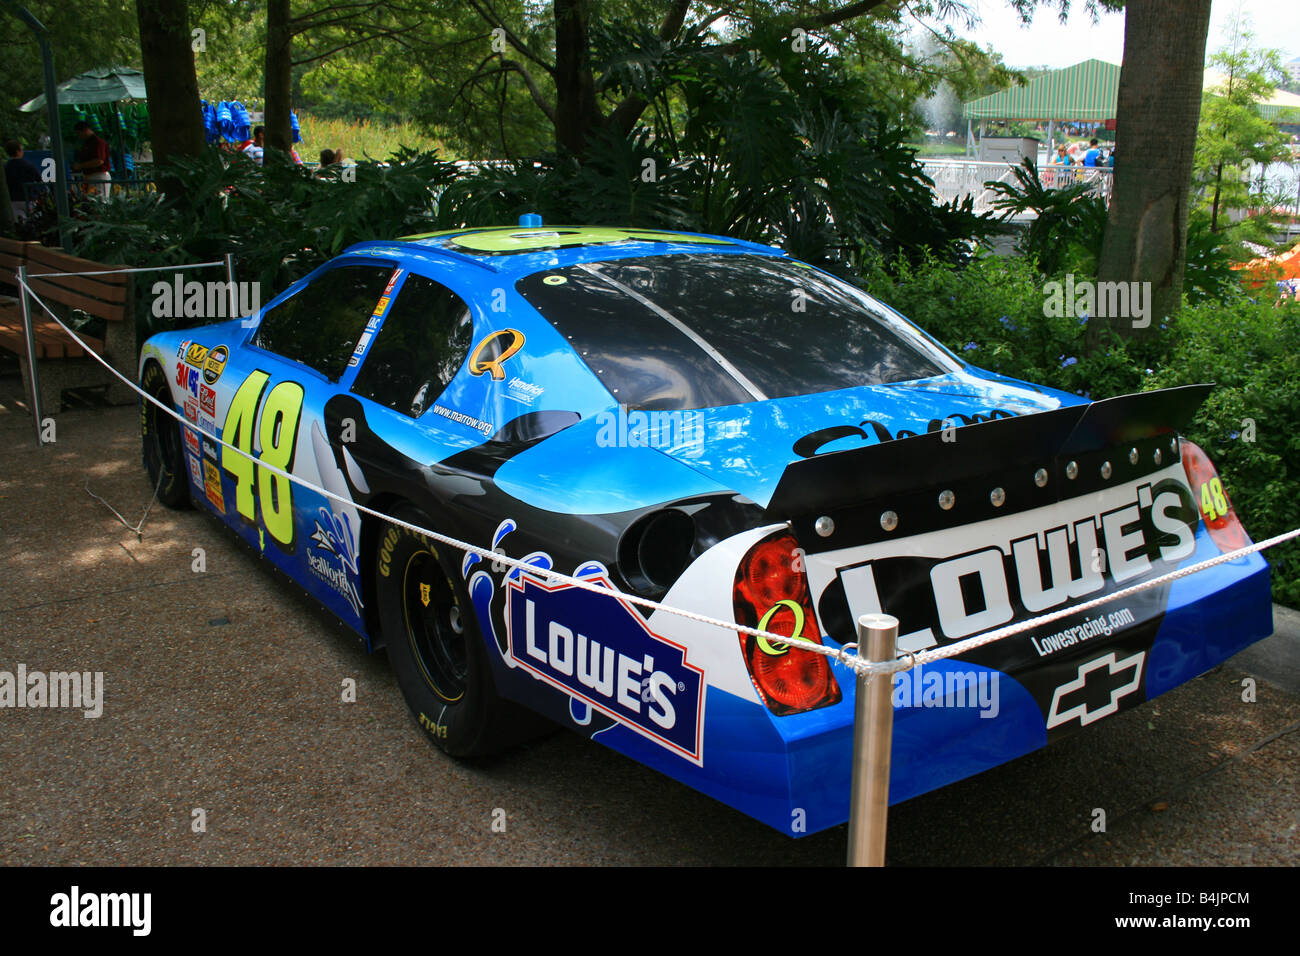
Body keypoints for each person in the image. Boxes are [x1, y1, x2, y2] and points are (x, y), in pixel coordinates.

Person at [70, 120, 111, 198]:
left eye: (79, 133)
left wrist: (80, 166)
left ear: (85, 130)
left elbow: (99, 161)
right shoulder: (86, 143)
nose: (79, 136)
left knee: (100, 201)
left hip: (99, 175)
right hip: (89, 176)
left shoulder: (98, 142)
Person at [4, 139, 41, 221]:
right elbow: (39, 179)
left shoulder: (5, 167)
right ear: (18, 151)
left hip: (13, 200)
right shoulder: (28, 165)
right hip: (29, 199)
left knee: (19, 223)